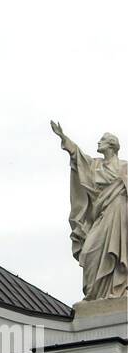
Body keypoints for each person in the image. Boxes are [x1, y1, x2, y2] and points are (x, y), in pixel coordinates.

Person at [50, 123, 127, 301]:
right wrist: (63, 137)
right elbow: (78, 156)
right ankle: (95, 294)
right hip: (102, 214)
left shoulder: (124, 167)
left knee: (118, 251)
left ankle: (118, 289)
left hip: (120, 213)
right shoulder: (94, 165)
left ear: (111, 145)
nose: (98, 143)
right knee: (89, 251)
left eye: (102, 140)